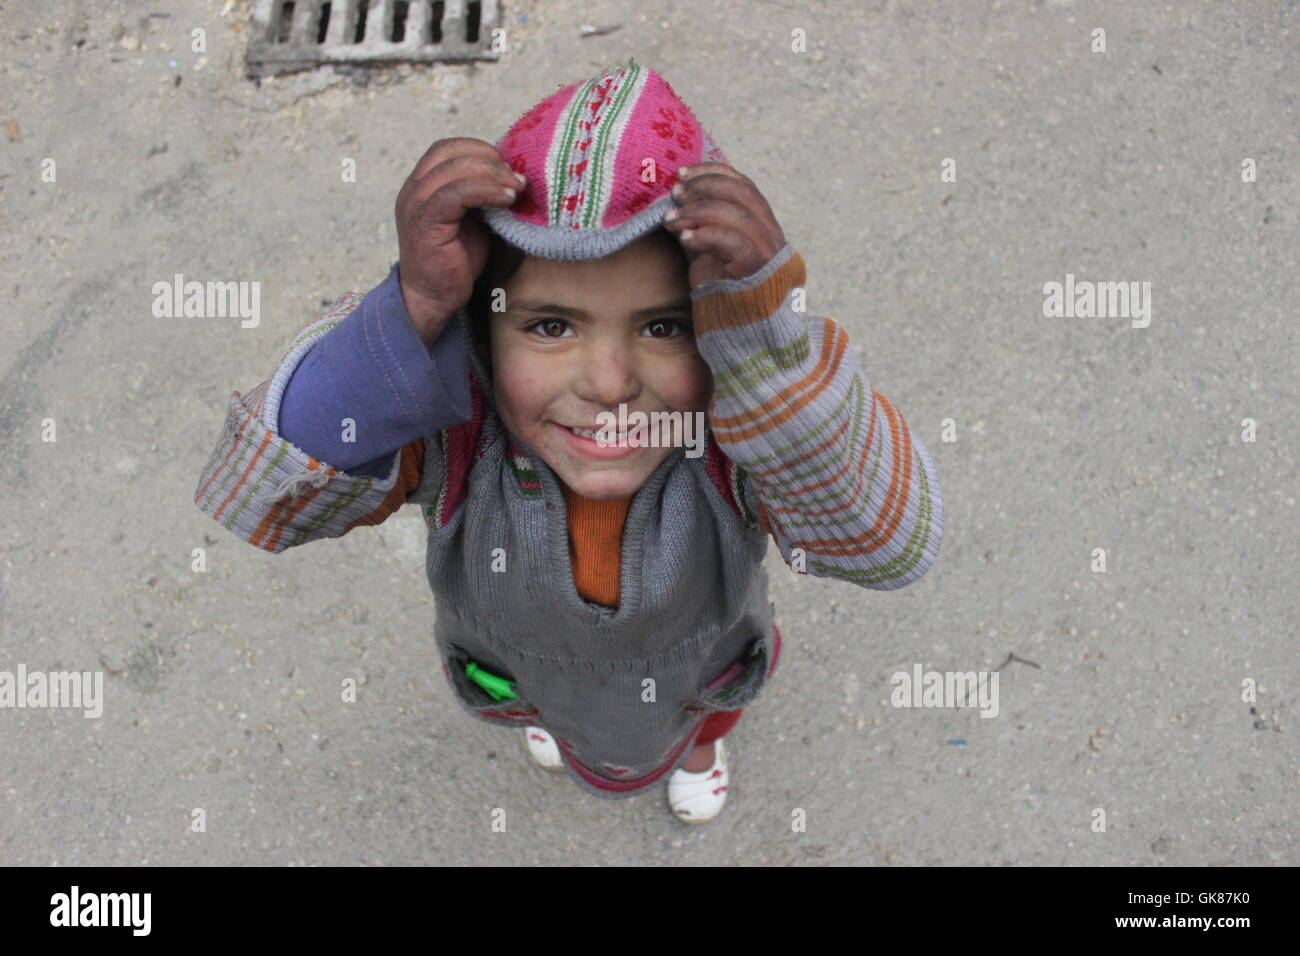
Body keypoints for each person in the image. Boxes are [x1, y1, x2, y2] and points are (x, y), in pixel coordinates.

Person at [193, 59, 944, 824]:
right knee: (550, 709)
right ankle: (562, 722)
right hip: (523, 668)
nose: (611, 383)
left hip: (697, 672)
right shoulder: (453, 430)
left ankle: (699, 751)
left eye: (664, 326)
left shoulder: (735, 437)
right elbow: (265, 495)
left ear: (716, 334)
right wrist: (413, 309)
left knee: (703, 715)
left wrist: (767, 351)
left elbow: (886, 546)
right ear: (481, 336)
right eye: (550, 326)